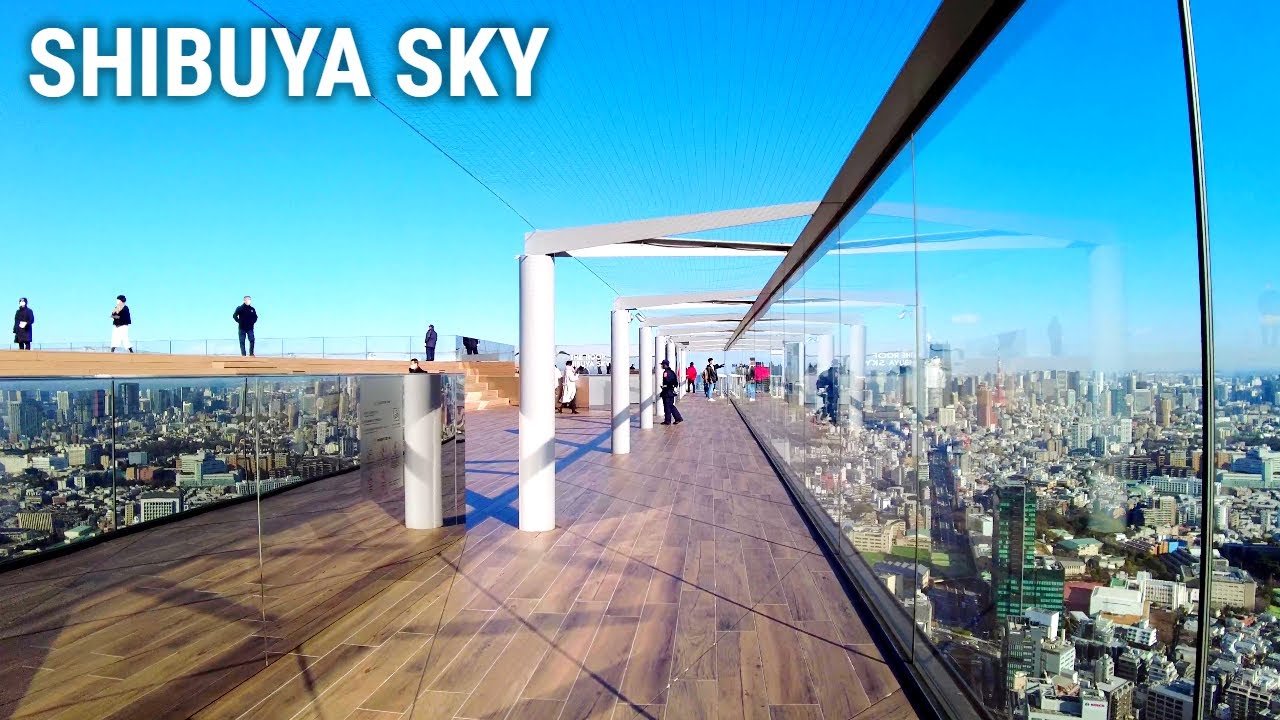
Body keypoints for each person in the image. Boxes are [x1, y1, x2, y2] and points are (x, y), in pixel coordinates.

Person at [659, 359, 683, 425]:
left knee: (667, 406)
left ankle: (670, 420)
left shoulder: (666, 372)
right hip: (671, 391)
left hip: (667, 392)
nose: (661, 366)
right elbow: (675, 382)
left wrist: (664, 386)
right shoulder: (672, 372)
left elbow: (667, 382)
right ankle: (675, 419)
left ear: (665, 365)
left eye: (662, 364)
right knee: (670, 405)